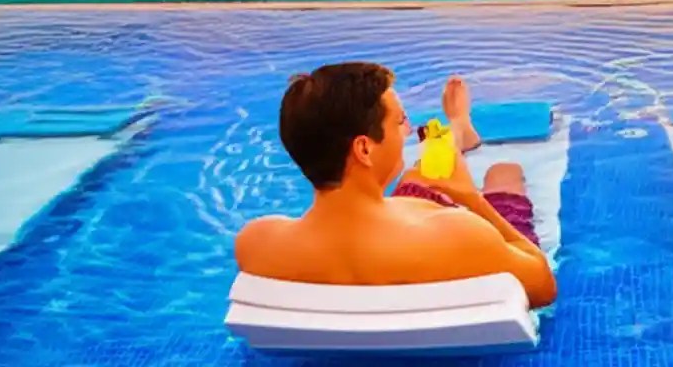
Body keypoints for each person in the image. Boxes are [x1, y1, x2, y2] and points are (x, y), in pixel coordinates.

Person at [234, 62, 556, 308]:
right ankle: (457, 128)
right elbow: (542, 283)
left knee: (420, 175)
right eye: (401, 121)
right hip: (430, 236)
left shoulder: (256, 243)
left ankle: (457, 129)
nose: (405, 132)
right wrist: (471, 198)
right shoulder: (464, 235)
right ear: (363, 149)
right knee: (503, 173)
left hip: (395, 228)